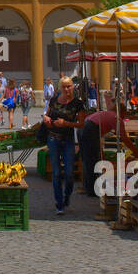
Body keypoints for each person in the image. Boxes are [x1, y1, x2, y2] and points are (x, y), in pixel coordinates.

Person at [42, 77, 86, 215]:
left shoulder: (78, 104)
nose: (67, 89)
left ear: (73, 87)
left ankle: (67, 196)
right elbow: (46, 115)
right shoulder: (54, 100)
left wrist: (66, 123)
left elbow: (81, 124)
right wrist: (46, 119)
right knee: (56, 173)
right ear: (60, 88)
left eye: (69, 86)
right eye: (64, 87)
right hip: (53, 139)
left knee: (69, 173)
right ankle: (59, 203)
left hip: (67, 139)